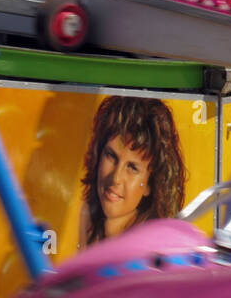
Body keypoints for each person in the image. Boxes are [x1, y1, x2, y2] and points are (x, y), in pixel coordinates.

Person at [80, 96, 186, 246]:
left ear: (150, 184)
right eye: (111, 156)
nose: (116, 178)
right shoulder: (89, 216)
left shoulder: (152, 250)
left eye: (132, 168)